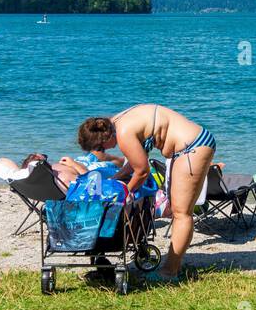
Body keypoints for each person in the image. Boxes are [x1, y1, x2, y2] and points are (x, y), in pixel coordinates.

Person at [77, 104, 215, 282]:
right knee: (177, 209)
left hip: (192, 147)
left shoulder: (123, 133)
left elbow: (142, 171)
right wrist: (116, 179)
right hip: (189, 144)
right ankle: (174, 265)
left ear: (104, 139)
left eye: (102, 148)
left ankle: (169, 273)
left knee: (181, 212)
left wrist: (126, 191)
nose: (108, 151)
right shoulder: (117, 121)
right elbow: (135, 161)